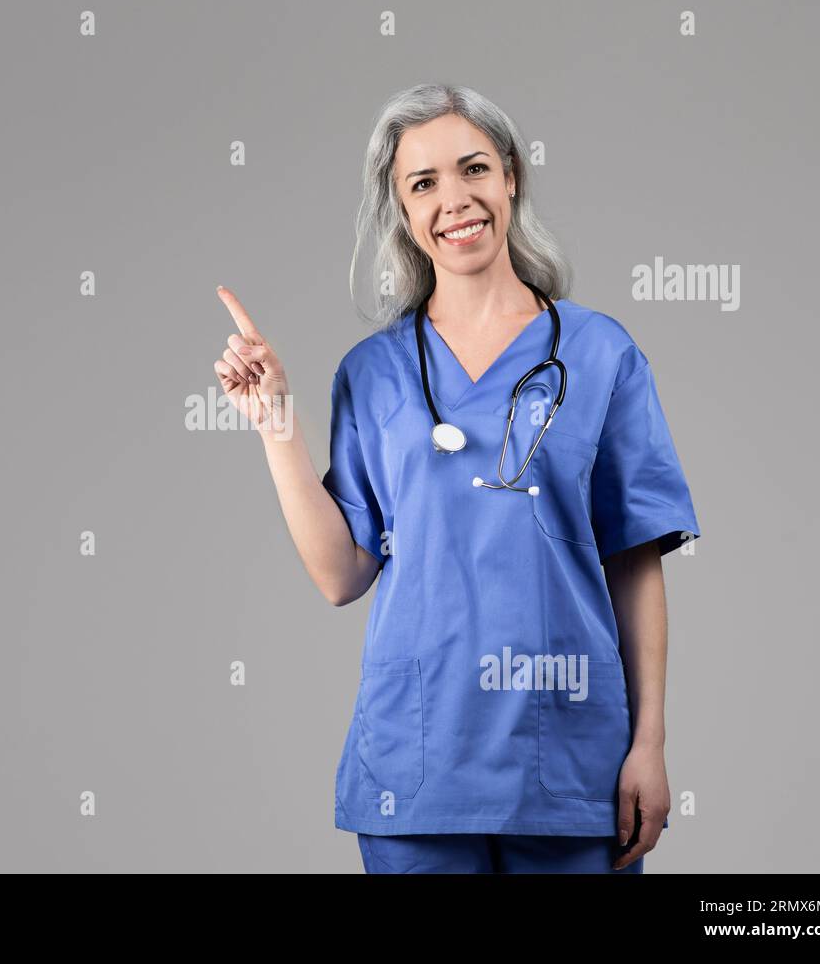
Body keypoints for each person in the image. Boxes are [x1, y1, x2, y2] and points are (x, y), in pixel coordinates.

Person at [211, 84, 700, 874]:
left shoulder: (602, 354)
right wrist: (274, 421)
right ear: (401, 211)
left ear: (510, 176)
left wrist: (649, 743)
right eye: (423, 183)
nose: (455, 200)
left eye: (473, 168)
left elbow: (635, 561)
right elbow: (341, 574)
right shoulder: (372, 374)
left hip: (573, 765)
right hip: (418, 769)